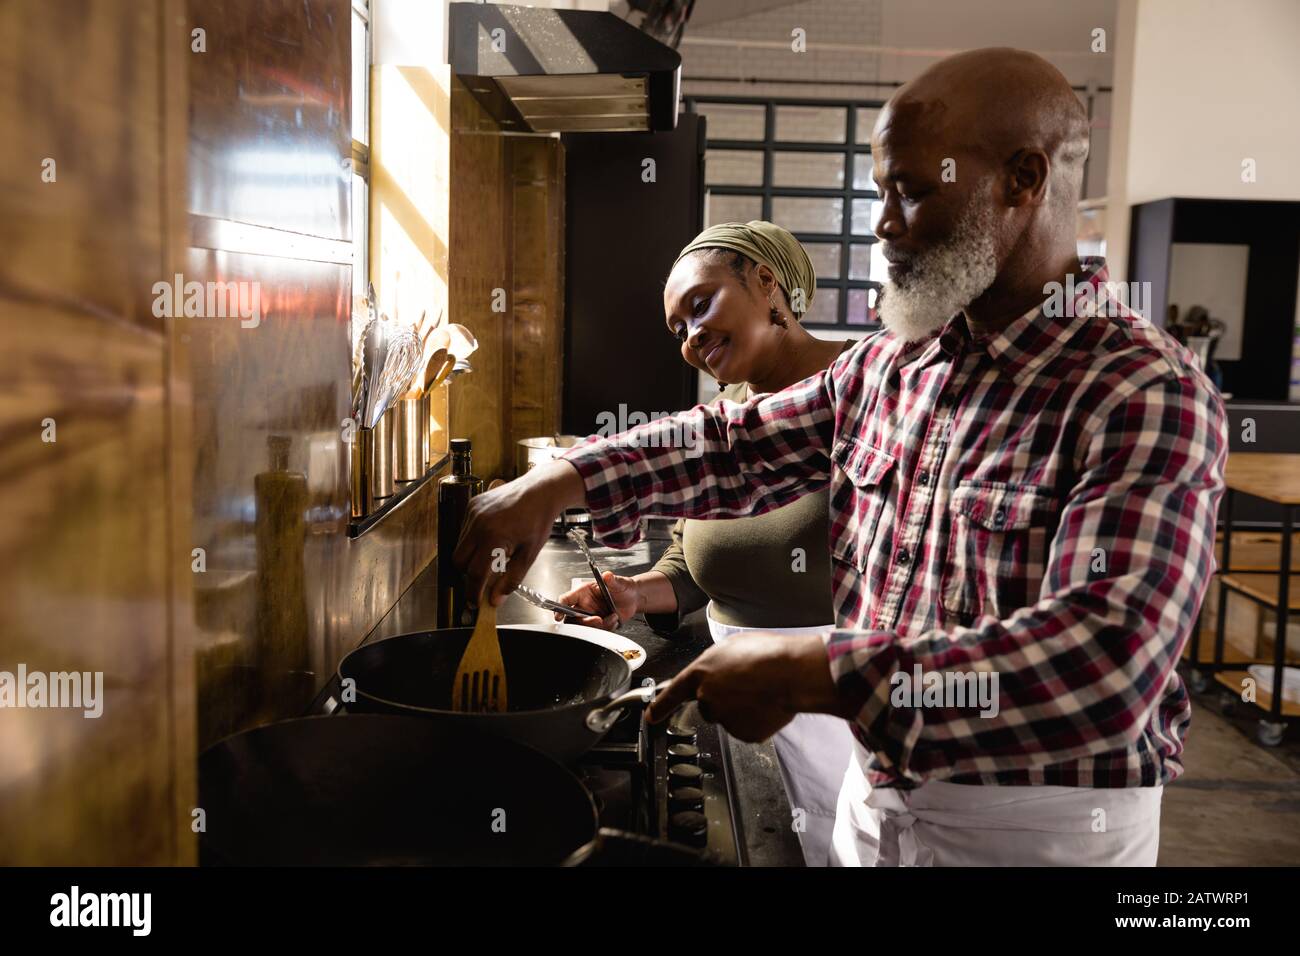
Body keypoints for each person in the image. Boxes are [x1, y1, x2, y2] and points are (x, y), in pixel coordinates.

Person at [456, 47, 1228, 866]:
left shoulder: (1140, 389)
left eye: (914, 190)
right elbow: (730, 446)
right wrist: (562, 478)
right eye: (880, 193)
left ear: (1023, 179)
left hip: (1033, 827)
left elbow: (1105, 661)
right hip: (876, 793)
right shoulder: (896, 364)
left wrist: (817, 672)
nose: (885, 224)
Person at [557, 220, 855, 866]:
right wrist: (634, 592)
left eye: (700, 306)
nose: (691, 337)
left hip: (829, 709)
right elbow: (695, 561)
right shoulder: (731, 418)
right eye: (678, 329)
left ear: (767, 283)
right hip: (734, 698)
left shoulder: (859, 395)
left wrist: (550, 489)